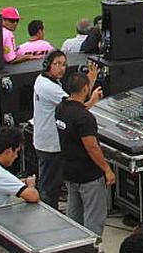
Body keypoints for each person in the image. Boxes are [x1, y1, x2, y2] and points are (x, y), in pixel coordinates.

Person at [33, 50, 101, 207]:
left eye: (64, 64)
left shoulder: (42, 80)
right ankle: (51, 218)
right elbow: (76, 107)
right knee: (49, 189)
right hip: (51, 145)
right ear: (48, 65)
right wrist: (92, 95)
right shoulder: (50, 88)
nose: (62, 68)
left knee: (49, 185)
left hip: (44, 141)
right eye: (57, 64)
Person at [56, 72, 115, 236]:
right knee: (93, 220)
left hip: (70, 172)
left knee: (74, 216)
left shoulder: (60, 108)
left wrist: (92, 102)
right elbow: (92, 147)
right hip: (89, 176)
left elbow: (75, 113)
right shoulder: (85, 118)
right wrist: (107, 169)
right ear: (85, 89)